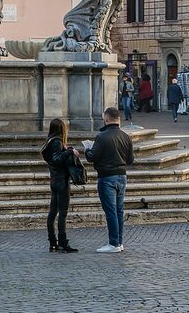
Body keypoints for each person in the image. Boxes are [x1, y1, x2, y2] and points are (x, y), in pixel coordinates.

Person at [84, 107, 134, 253]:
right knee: (119, 210)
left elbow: (92, 157)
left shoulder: (102, 137)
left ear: (106, 119)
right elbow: (130, 160)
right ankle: (119, 241)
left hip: (107, 177)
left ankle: (114, 243)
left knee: (111, 211)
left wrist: (87, 150)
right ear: (118, 119)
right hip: (122, 176)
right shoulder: (126, 136)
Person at [41, 118, 79, 254]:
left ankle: (53, 243)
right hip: (61, 182)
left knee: (52, 213)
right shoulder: (57, 142)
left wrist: (66, 150)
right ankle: (62, 243)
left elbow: (53, 158)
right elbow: (57, 160)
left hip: (54, 181)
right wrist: (69, 152)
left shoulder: (49, 142)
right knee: (62, 213)